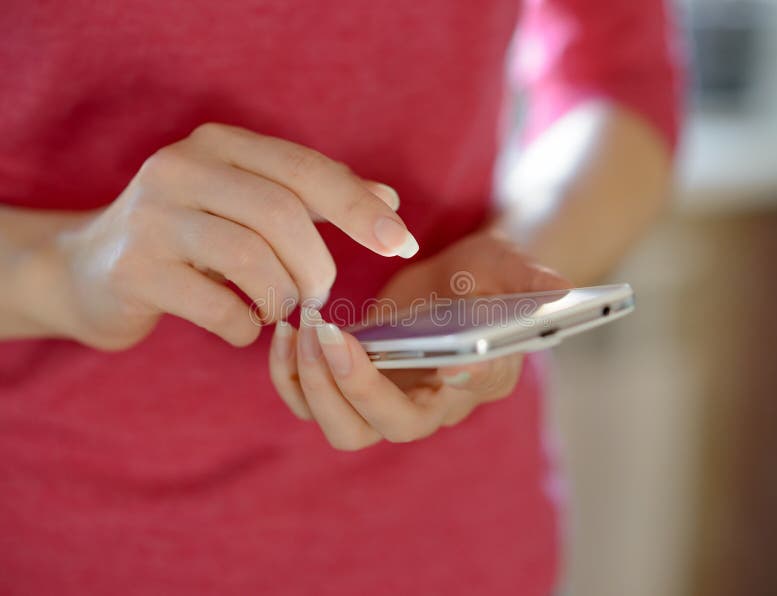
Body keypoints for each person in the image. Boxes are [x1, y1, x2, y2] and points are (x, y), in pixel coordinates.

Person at [0, 0, 681, 594]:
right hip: (62, 553)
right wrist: (63, 269)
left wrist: (515, 260)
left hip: (455, 551)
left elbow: (621, 77)